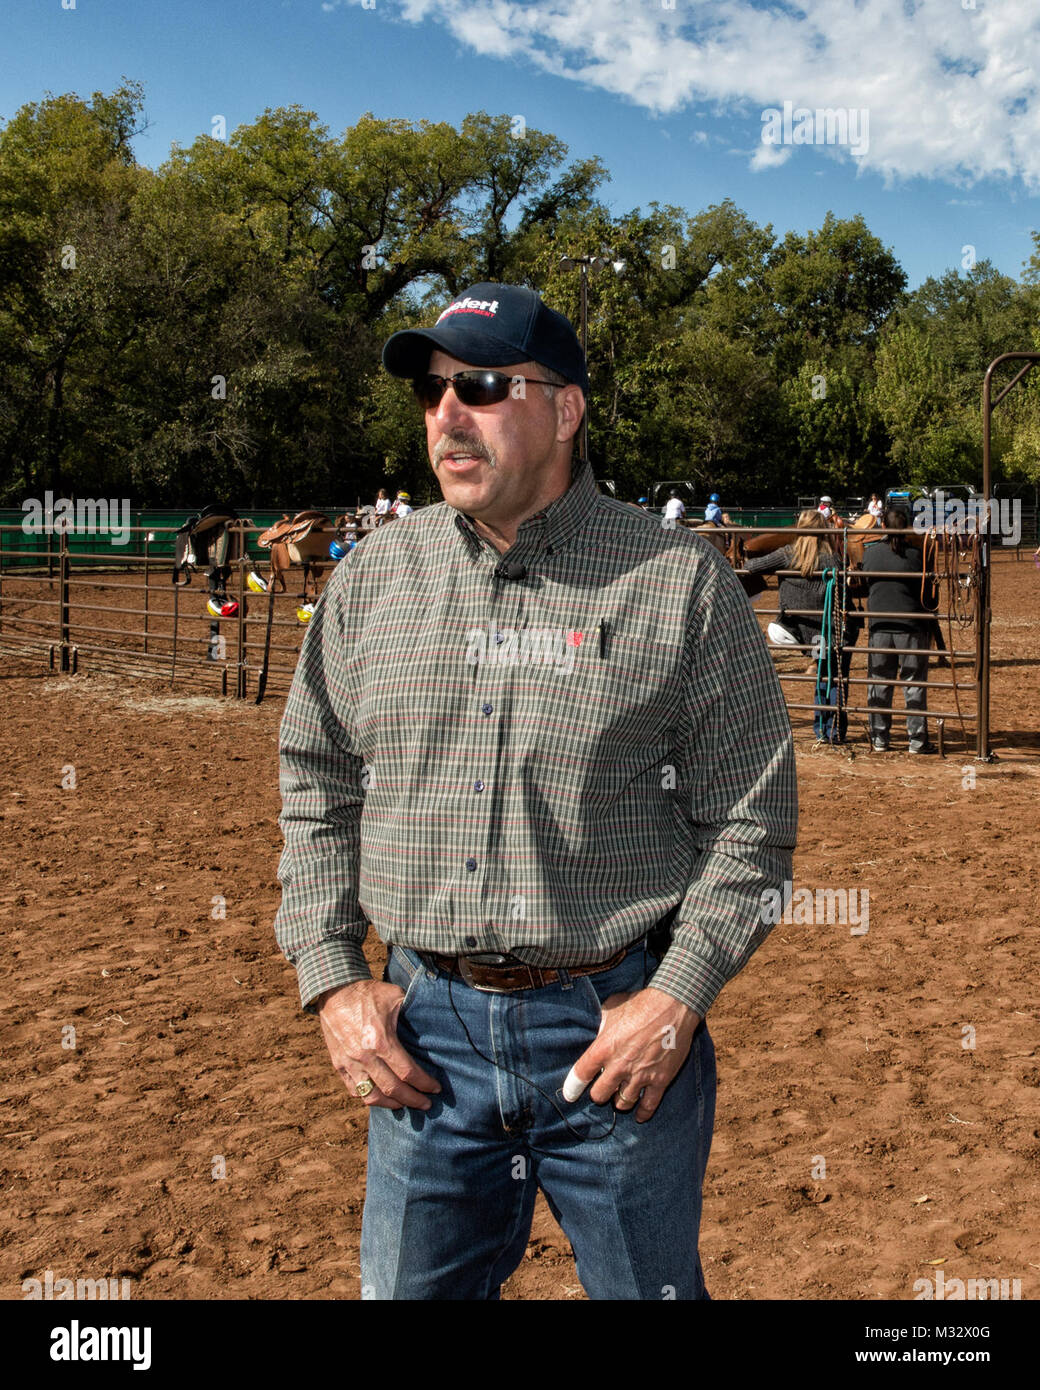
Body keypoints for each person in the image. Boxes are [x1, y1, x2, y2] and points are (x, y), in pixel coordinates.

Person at [273, 280, 796, 1302]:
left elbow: (751, 823)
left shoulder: (676, 583)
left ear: (564, 410)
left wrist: (672, 999)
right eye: (431, 392)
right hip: (422, 1035)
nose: (445, 416)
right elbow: (316, 783)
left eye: (479, 384)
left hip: (614, 1036)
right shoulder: (374, 578)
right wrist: (335, 979)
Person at [743, 510, 861, 745]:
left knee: (822, 676)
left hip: (811, 632)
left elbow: (751, 565)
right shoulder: (834, 559)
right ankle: (834, 731)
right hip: (836, 629)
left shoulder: (787, 555)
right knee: (836, 677)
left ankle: (821, 729)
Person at [860, 505, 935, 754]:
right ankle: (917, 740)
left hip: (879, 625)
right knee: (913, 681)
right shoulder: (916, 555)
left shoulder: (870, 554)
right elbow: (928, 592)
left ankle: (880, 738)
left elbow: (864, 583)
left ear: (883, 526)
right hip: (910, 625)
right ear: (906, 528)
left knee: (879, 680)